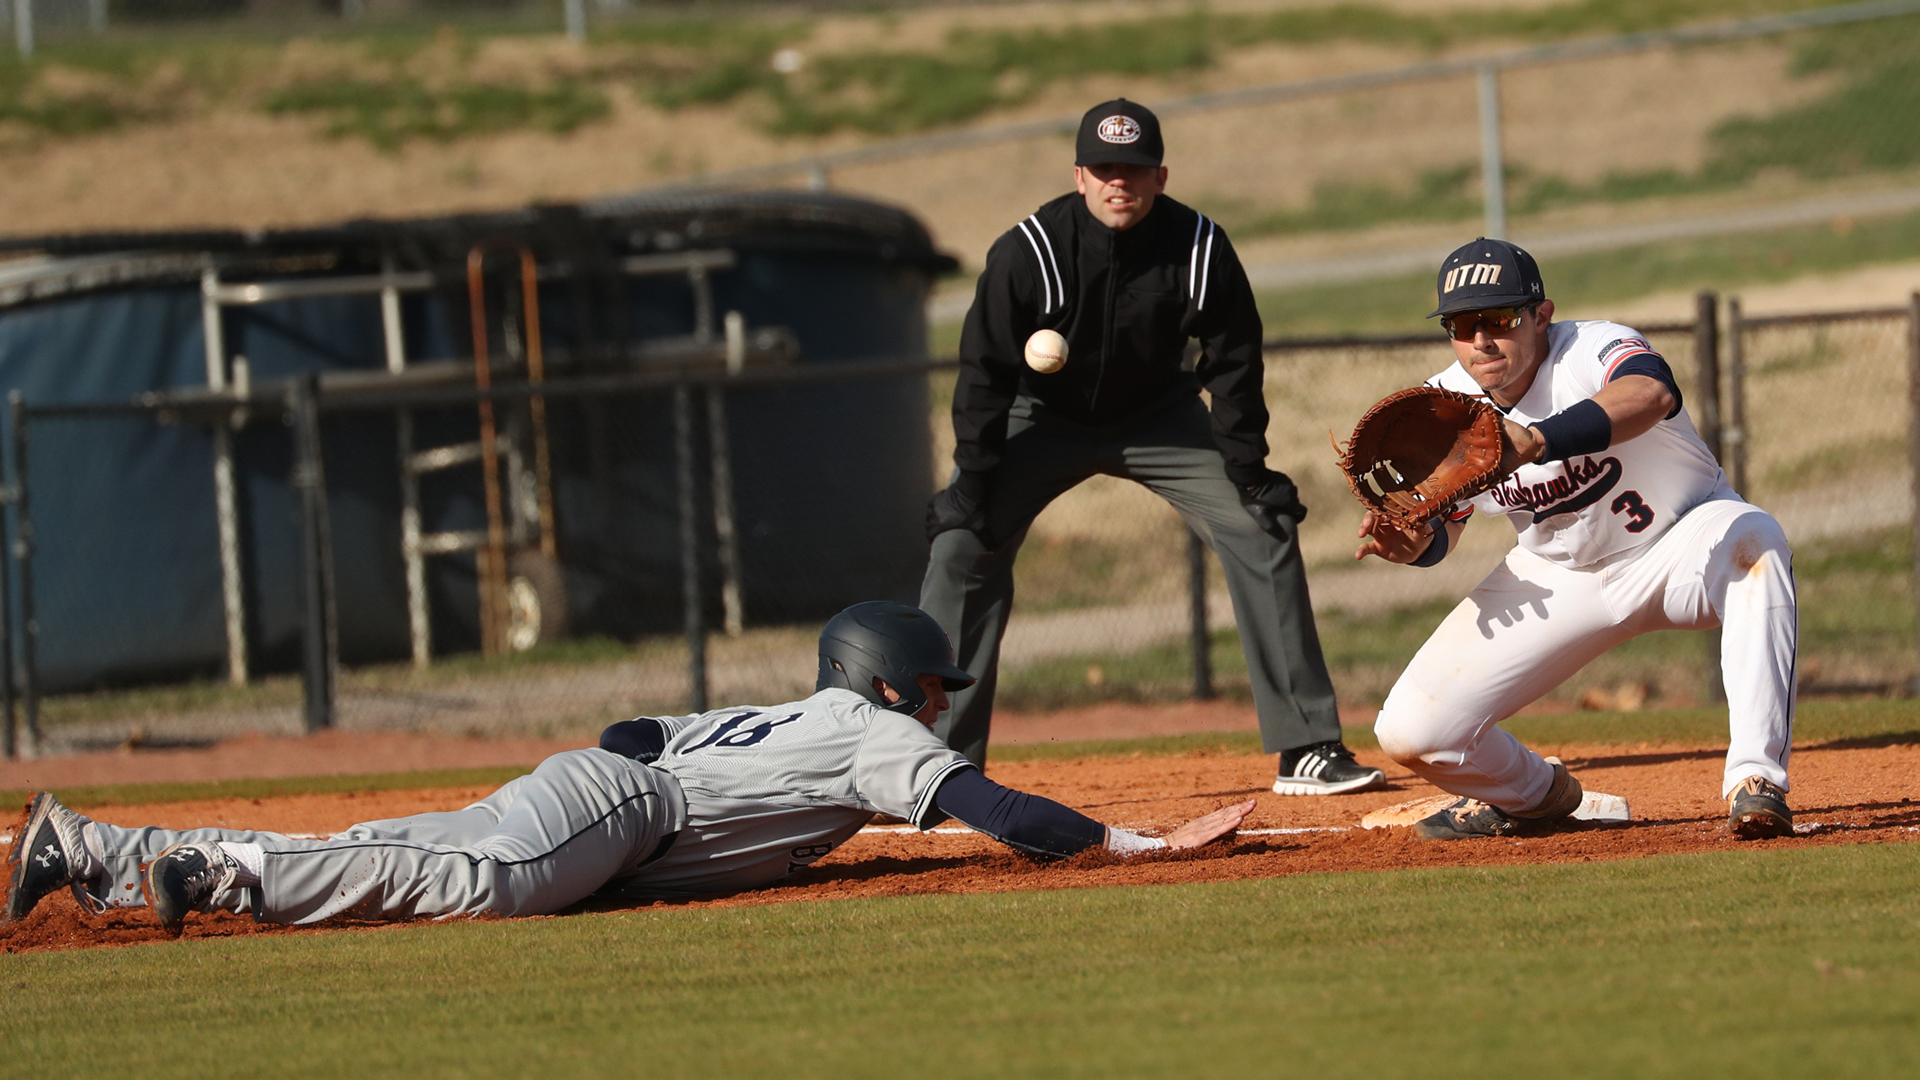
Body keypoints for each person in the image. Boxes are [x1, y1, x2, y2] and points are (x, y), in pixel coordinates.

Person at [3, 602, 1253, 930]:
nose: (939, 706)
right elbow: (993, 810)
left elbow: (633, 737)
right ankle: (210, 877)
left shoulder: (803, 715)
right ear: (888, 683)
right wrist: (1129, 842)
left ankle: (104, 854)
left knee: (399, 856)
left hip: (610, 793)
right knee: (468, 886)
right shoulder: (876, 735)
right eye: (930, 687)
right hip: (622, 812)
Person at [921, 98, 1381, 797]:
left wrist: (1248, 469)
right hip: (1039, 415)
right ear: (1079, 176)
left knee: (1263, 526)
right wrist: (974, 481)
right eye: (1104, 168)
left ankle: (1307, 748)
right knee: (961, 548)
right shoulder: (1030, 251)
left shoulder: (1198, 247)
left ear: (1160, 177)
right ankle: (930, 763)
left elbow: (1232, 363)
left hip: (1158, 415)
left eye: (1134, 170)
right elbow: (984, 372)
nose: (1119, 182)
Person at [1358, 238, 1797, 841]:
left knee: (1758, 544)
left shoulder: (1591, 346)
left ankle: (1756, 779)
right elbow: (1441, 531)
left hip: (1682, 542)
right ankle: (1537, 797)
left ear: (1542, 316)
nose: (1482, 339)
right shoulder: (1444, 410)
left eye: (1501, 318)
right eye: (1463, 324)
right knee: (1412, 731)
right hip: (1556, 576)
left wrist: (1535, 441)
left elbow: (1650, 394)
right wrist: (1412, 546)